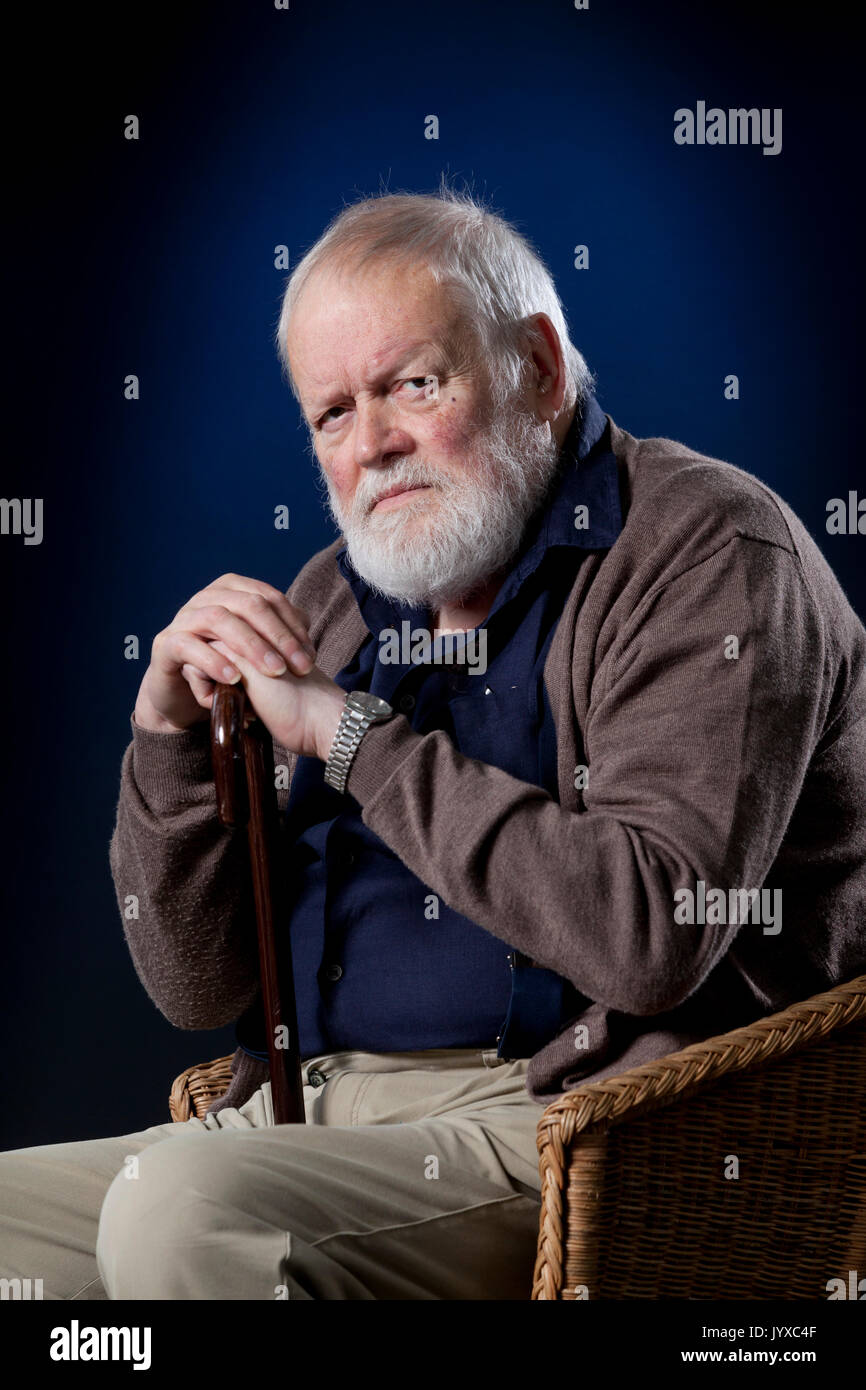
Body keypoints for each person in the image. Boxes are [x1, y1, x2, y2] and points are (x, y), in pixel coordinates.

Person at [1, 188, 864, 1301]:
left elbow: (654, 934)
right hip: (297, 1113)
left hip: (558, 1127)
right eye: (332, 413)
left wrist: (352, 736)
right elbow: (196, 982)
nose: (373, 446)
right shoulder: (337, 598)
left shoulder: (705, 552)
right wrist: (164, 737)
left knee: (184, 1216)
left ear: (539, 370)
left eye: (414, 383)